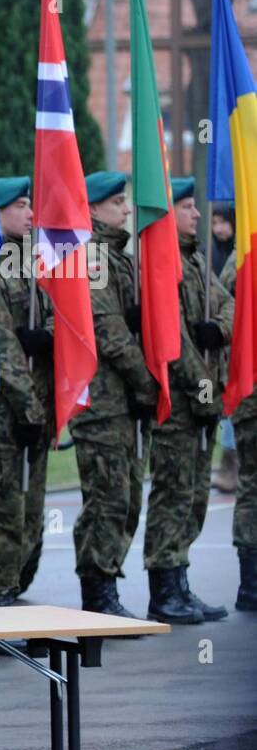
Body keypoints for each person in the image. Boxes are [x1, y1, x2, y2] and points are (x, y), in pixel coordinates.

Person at [0, 177, 60, 651]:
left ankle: (15, 592)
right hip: (6, 415)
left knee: (30, 510)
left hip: (36, 412)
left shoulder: (30, 266)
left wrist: (46, 334)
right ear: (0, 213)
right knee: (3, 510)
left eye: (30, 205)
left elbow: (53, 316)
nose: (30, 214)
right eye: (20, 206)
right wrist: (27, 407)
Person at [142, 178, 232, 622]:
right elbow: (171, 338)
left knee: (195, 495)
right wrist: (204, 391)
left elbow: (229, 303)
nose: (197, 215)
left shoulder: (196, 260)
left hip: (203, 403)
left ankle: (180, 581)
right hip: (179, 403)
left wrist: (223, 329)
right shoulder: (160, 264)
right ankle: (163, 590)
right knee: (173, 493)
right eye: (188, 208)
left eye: (197, 207)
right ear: (168, 214)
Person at [71, 171, 159, 619]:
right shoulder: (94, 258)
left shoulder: (117, 256)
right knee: (107, 499)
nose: (127, 209)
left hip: (122, 403)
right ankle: (97, 592)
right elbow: (108, 332)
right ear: (92, 210)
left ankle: (107, 584)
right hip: (102, 403)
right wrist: (147, 384)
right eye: (117, 203)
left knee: (126, 498)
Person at [219, 250, 257, 612]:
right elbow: (234, 306)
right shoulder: (246, 252)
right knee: (254, 487)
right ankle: (252, 581)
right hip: (253, 392)